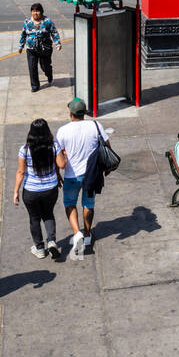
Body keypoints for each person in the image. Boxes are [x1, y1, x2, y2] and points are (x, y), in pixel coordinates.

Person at [55, 97, 111, 257]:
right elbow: (107, 146)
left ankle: (76, 232)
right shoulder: (95, 125)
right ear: (84, 113)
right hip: (91, 175)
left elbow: (58, 156)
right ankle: (87, 234)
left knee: (70, 204)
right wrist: (106, 167)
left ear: (71, 113)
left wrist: (58, 173)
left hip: (72, 177)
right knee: (88, 204)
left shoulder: (63, 131)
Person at [12, 118, 62, 260]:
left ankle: (39, 248)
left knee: (34, 218)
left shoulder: (24, 149)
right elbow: (62, 164)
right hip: (50, 189)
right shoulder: (53, 146)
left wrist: (16, 191)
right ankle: (51, 241)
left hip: (31, 191)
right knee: (48, 214)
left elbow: (21, 172)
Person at [18, 2, 62, 93]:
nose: (35, 13)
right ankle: (35, 86)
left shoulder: (47, 21)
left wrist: (57, 43)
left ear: (41, 12)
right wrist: (21, 46)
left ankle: (49, 74)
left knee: (45, 66)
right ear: (31, 12)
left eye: (37, 11)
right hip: (31, 49)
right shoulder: (27, 22)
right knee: (32, 67)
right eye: (33, 11)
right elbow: (23, 34)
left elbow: (54, 32)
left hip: (44, 48)